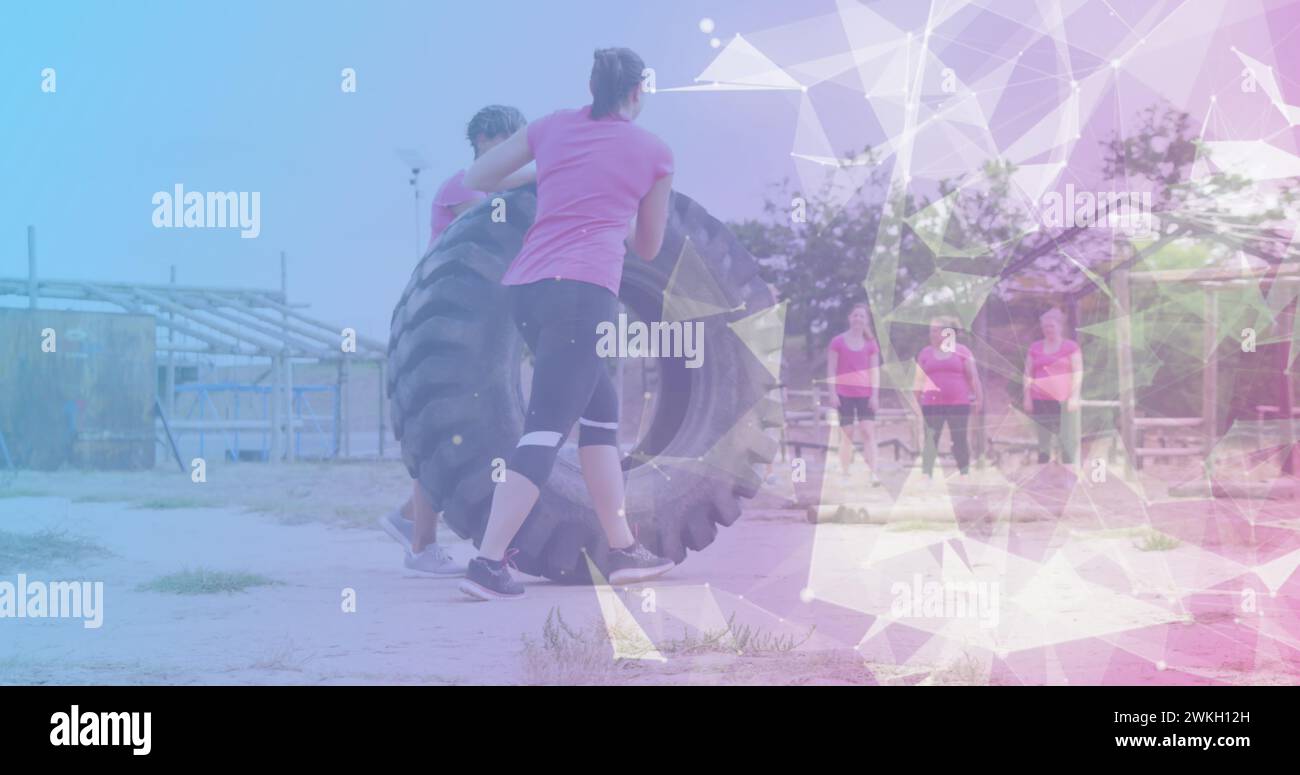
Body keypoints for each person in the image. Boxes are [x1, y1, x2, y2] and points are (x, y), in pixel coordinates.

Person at [457, 48, 676, 600]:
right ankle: (486, 562)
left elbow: (479, 175)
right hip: (584, 295)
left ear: (590, 85)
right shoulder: (653, 152)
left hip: (529, 290)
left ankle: (624, 549)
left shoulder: (552, 127)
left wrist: (554, 170)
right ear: (637, 91)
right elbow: (647, 246)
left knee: (600, 418)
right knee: (546, 430)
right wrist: (614, 213)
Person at [379, 105, 529, 578]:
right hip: (443, 325)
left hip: (462, 325)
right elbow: (496, 232)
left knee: (451, 439)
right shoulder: (466, 185)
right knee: (440, 438)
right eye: (507, 140)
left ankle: (406, 520)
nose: (513, 151)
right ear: (485, 139)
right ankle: (420, 545)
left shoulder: (487, 184)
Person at [914, 316, 982, 477]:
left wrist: (979, 399)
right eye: (931, 330)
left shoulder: (962, 351)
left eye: (936, 330)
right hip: (931, 404)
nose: (932, 333)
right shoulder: (925, 353)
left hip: (958, 403)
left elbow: (973, 377)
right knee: (931, 439)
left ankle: (964, 473)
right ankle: (926, 475)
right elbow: (918, 380)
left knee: (959, 439)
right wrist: (916, 401)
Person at [826, 303, 881, 486]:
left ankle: (872, 473)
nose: (858, 319)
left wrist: (875, 395)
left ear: (866, 321)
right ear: (850, 318)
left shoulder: (871, 344)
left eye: (862, 316)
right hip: (844, 394)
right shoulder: (838, 342)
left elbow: (875, 371)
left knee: (868, 432)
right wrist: (832, 393)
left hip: (865, 394)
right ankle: (845, 473)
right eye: (855, 315)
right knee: (847, 435)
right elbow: (831, 369)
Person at [1023, 308, 1082, 465]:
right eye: (1045, 327)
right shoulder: (1034, 347)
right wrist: (1027, 397)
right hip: (1039, 398)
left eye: (1051, 326)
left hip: (1064, 400)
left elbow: (1078, 372)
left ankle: (1068, 474)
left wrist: (1075, 397)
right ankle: (1044, 476)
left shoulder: (1071, 347)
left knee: (1067, 438)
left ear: (1060, 327)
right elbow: (1028, 374)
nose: (1048, 329)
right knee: (1043, 439)